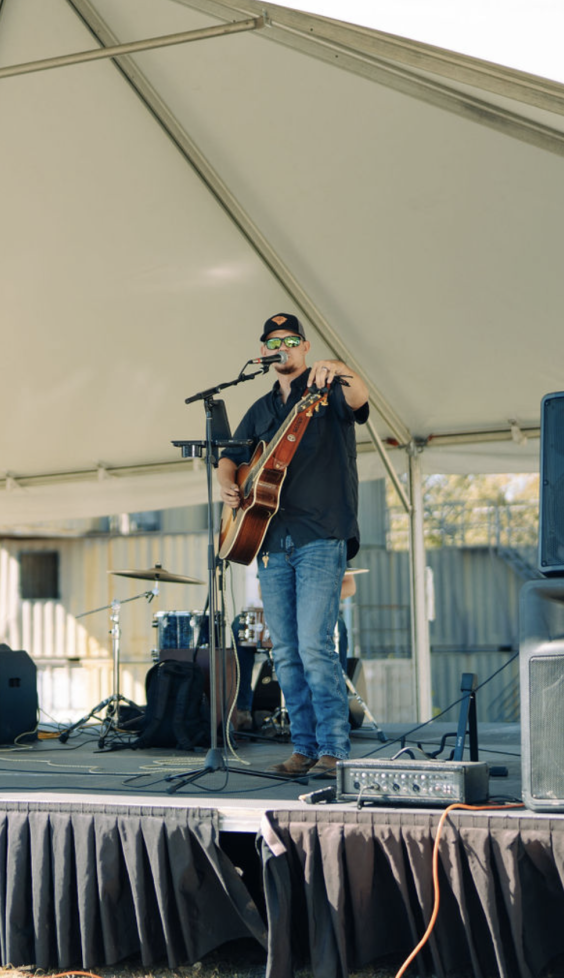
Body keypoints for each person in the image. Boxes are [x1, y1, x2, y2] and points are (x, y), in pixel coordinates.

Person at [216, 314, 369, 778]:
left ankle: (334, 750)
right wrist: (228, 484)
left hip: (320, 533)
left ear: (304, 347)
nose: (281, 346)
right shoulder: (260, 407)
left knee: (314, 646)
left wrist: (337, 367)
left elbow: (361, 398)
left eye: (290, 340)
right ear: (263, 352)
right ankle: (303, 748)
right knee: (284, 651)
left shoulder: (327, 389)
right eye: (273, 342)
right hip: (269, 539)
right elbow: (230, 456)